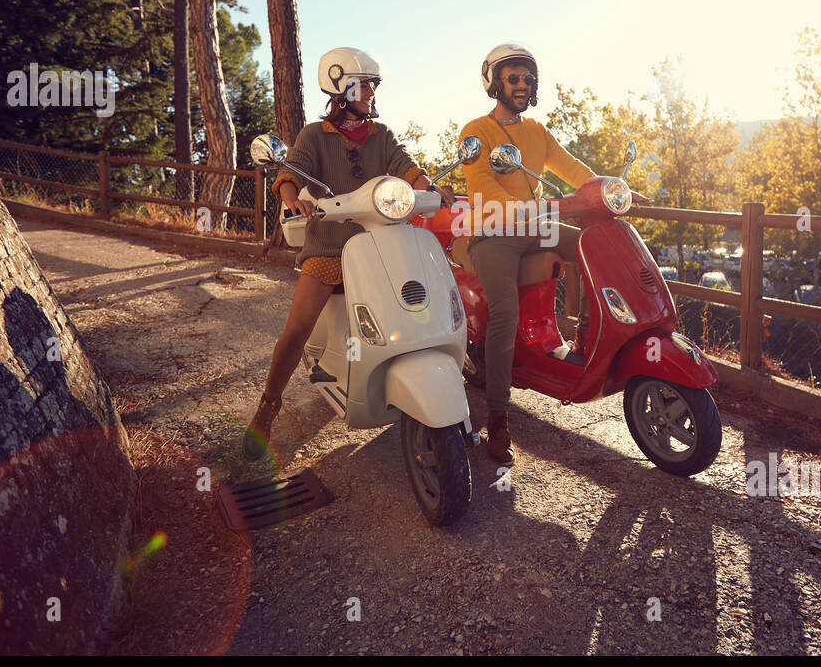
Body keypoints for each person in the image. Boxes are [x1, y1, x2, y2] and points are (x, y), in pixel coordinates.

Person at [243, 47, 454, 459]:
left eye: (374, 83)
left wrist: (431, 187)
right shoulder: (314, 135)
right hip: (330, 243)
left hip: (381, 240)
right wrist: (292, 200)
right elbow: (290, 172)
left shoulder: (382, 135)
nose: (373, 90)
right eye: (365, 83)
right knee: (298, 327)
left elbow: (406, 166)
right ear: (341, 88)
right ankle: (268, 406)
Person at [457, 43, 648, 465]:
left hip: (538, 226)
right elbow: (482, 188)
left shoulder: (537, 131)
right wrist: (535, 209)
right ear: (493, 82)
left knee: (599, 246)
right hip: (494, 233)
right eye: (514, 77)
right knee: (504, 313)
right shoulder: (477, 131)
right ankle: (498, 415)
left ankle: (588, 337)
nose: (523, 84)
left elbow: (572, 168)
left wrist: (610, 188)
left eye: (529, 77)